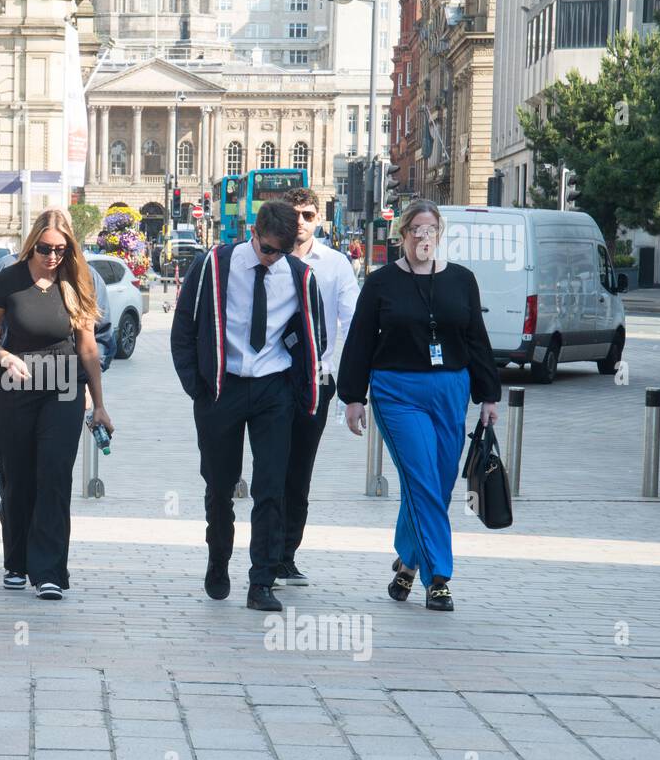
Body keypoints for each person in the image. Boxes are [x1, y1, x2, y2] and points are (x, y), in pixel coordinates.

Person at [337, 200, 501, 612]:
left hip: (451, 388)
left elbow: (476, 338)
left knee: (439, 484)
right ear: (403, 235)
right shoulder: (381, 283)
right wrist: (353, 396)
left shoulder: (462, 280)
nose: (423, 237)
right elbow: (360, 338)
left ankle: (408, 561)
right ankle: (438, 577)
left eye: (430, 230)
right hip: (398, 391)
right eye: (416, 230)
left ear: (440, 234)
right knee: (422, 480)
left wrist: (488, 395)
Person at [170, 201, 326, 612]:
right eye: (268, 249)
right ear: (252, 234)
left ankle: (262, 581)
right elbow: (183, 326)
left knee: (271, 486)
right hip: (222, 388)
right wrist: (197, 387)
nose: (273, 259)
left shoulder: (299, 275)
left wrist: (296, 390)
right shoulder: (214, 265)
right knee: (220, 485)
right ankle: (218, 558)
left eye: (282, 251)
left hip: (273, 390)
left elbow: (315, 333)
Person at [0, 209, 114, 601]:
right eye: (45, 248)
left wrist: (99, 404)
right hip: (13, 383)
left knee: (54, 475)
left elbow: (88, 349)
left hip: (63, 387)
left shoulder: (77, 280)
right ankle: (16, 562)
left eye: (61, 249)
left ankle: (49, 570)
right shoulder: (8, 279)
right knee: (17, 476)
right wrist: (2, 357)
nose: (53, 256)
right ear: (32, 243)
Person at [275, 188, 360, 587]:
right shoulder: (265, 257)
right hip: (269, 379)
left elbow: (353, 321)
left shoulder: (336, 265)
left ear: (318, 218)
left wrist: (334, 370)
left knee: (299, 471)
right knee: (271, 467)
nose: (301, 223)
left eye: (308, 215)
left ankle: (286, 553)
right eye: (293, 215)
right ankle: (266, 554)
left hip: (315, 381)